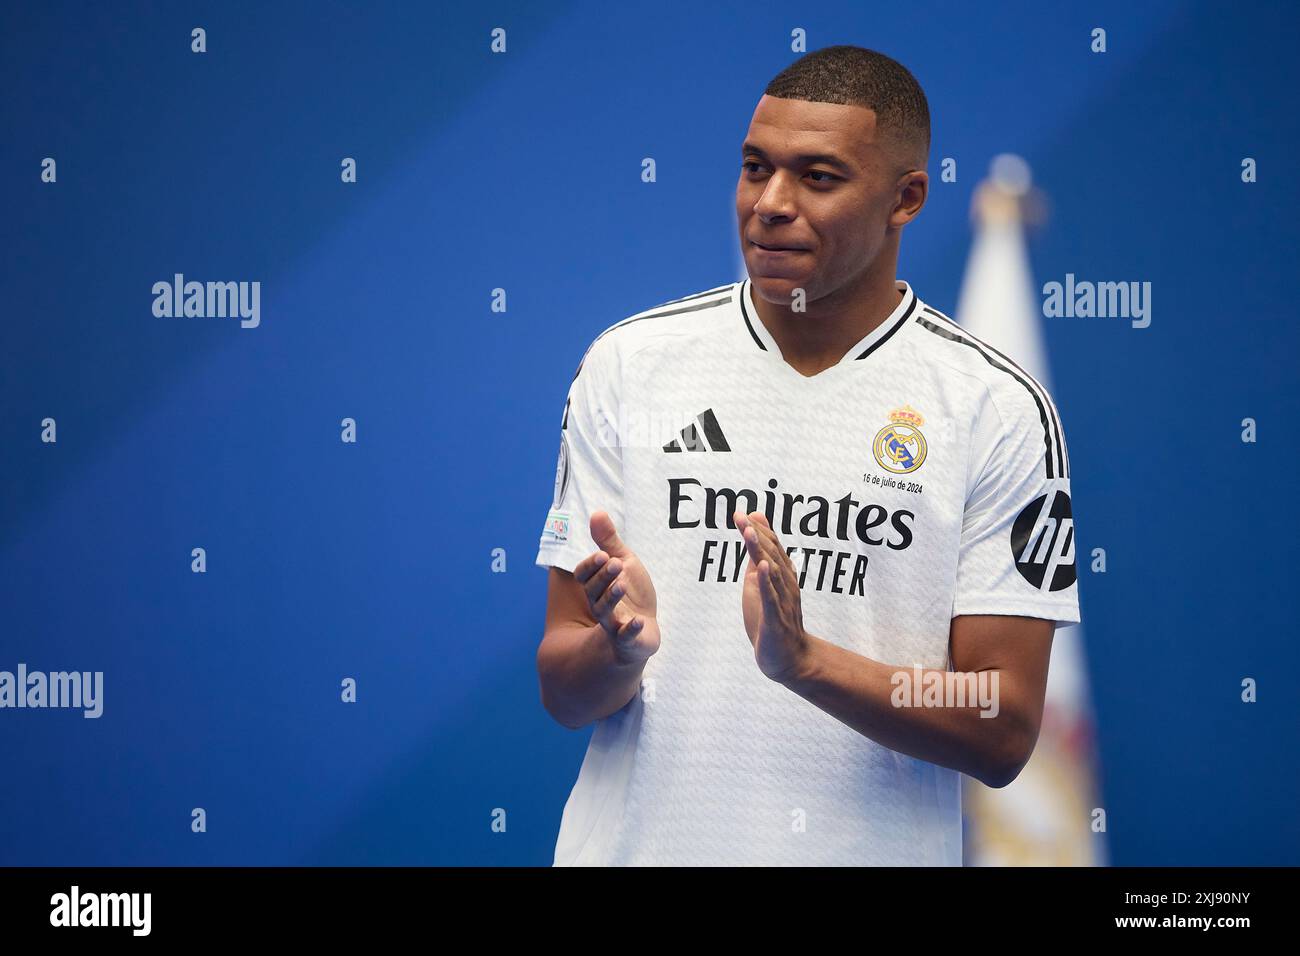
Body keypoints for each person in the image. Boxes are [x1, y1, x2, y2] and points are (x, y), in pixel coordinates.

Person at [533, 44, 1079, 866]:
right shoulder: (630, 366)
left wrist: (809, 663)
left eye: (818, 177)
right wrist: (617, 652)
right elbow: (562, 689)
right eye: (756, 169)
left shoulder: (994, 407)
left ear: (907, 198)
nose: (770, 204)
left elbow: (1003, 726)